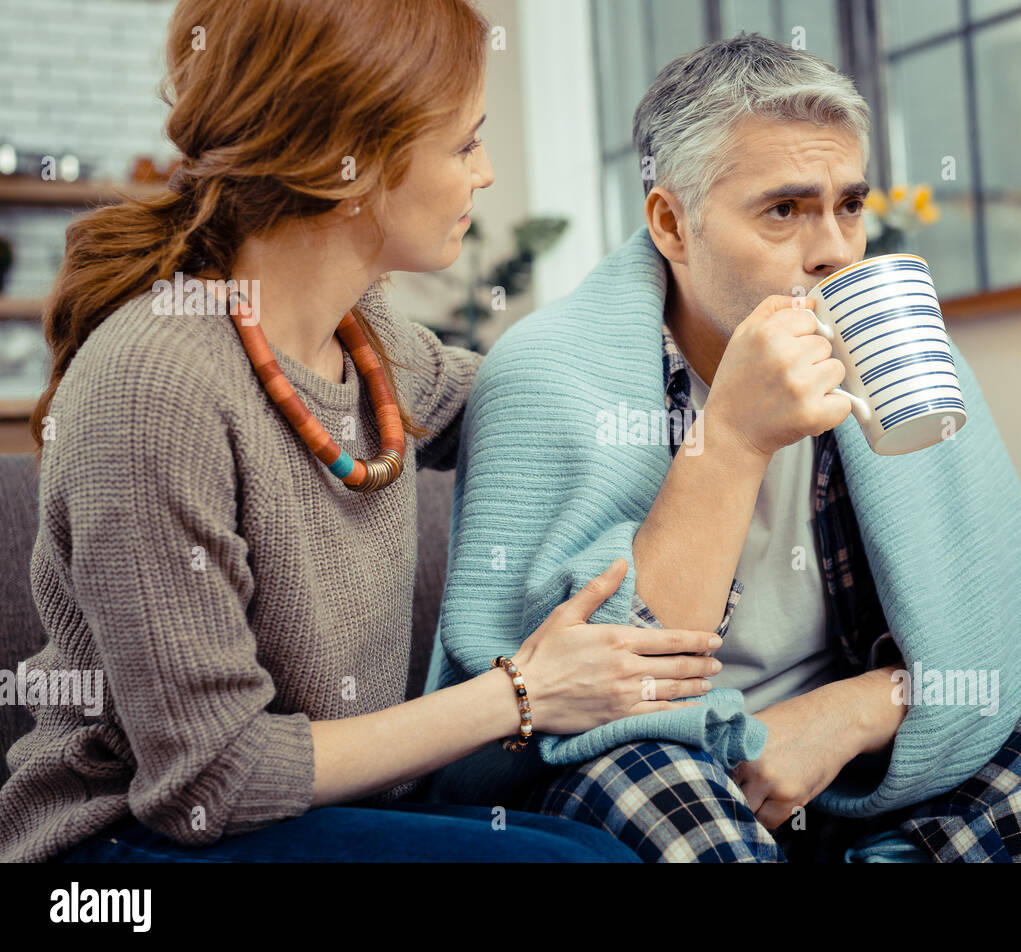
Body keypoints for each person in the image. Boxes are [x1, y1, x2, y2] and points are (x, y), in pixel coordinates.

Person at [430, 33, 1021, 863]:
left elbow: (1016, 640)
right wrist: (730, 440)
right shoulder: (547, 374)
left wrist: (868, 705)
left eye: (848, 206)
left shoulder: (902, 355)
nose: (834, 249)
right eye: (784, 210)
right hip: (678, 780)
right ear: (671, 223)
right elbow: (542, 723)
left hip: (859, 782)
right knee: (649, 777)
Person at [0, 0, 723, 864]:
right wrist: (526, 691)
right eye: (463, 145)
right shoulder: (155, 383)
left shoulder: (362, 333)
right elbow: (211, 780)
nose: (486, 173)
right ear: (347, 165)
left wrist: (711, 333)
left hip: (312, 813)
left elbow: (525, 398)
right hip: (125, 847)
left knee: (610, 846)